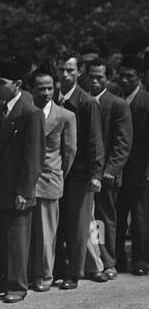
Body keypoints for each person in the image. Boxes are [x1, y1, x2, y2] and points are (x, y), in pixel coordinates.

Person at [0, 61, 42, 303]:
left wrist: (25, 191)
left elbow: (33, 156)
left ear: (17, 84)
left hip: (16, 188)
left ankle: (17, 285)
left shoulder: (30, 112)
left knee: (16, 240)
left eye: (1, 82)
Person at [51, 54, 105, 290]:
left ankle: (74, 273)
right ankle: (60, 269)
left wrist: (96, 174)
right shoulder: (51, 97)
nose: (65, 75)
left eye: (70, 70)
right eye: (61, 69)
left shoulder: (87, 102)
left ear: (79, 72)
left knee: (79, 225)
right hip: (57, 171)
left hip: (81, 172)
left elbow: (95, 141)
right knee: (60, 222)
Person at [81, 53, 131, 281]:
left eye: (100, 77)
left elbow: (123, 143)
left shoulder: (117, 105)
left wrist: (110, 171)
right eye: (91, 77)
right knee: (85, 220)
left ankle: (108, 261)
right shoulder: (82, 101)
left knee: (103, 219)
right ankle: (91, 262)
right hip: (83, 172)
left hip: (107, 175)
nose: (95, 81)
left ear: (108, 78)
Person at [27, 70, 76, 292]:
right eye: (41, 89)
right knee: (27, 232)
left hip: (49, 179)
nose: (47, 93)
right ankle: (26, 273)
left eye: (50, 88)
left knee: (47, 234)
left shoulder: (65, 116)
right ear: (31, 90)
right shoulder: (26, 112)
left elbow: (70, 152)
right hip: (25, 182)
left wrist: (58, 174)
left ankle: (44, 276)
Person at [115, 53, 149, 274]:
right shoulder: (115, 98)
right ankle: (118, 259)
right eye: (122, 76)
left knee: (139, 216)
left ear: (140, 76)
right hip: (118, 169)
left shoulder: (146, 101)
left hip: (140, 167)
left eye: (130, 76)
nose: (125, 80)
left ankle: (140, 259)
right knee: (117, 216)